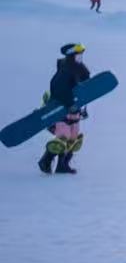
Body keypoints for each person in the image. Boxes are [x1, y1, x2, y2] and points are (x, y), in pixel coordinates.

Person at [37, 44, 94, 175]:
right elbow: (58, 90)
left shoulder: (81, 70)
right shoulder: (64, 71)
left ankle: (62, 165)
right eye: (78, 55)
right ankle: (45, 161)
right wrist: (69, 104)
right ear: (71, 56)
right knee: (63, 137)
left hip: (75, 112)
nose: (80, 57)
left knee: (73, 138)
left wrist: (83, 107)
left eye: (81, 55)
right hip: (62, 112)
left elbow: (84, 91)